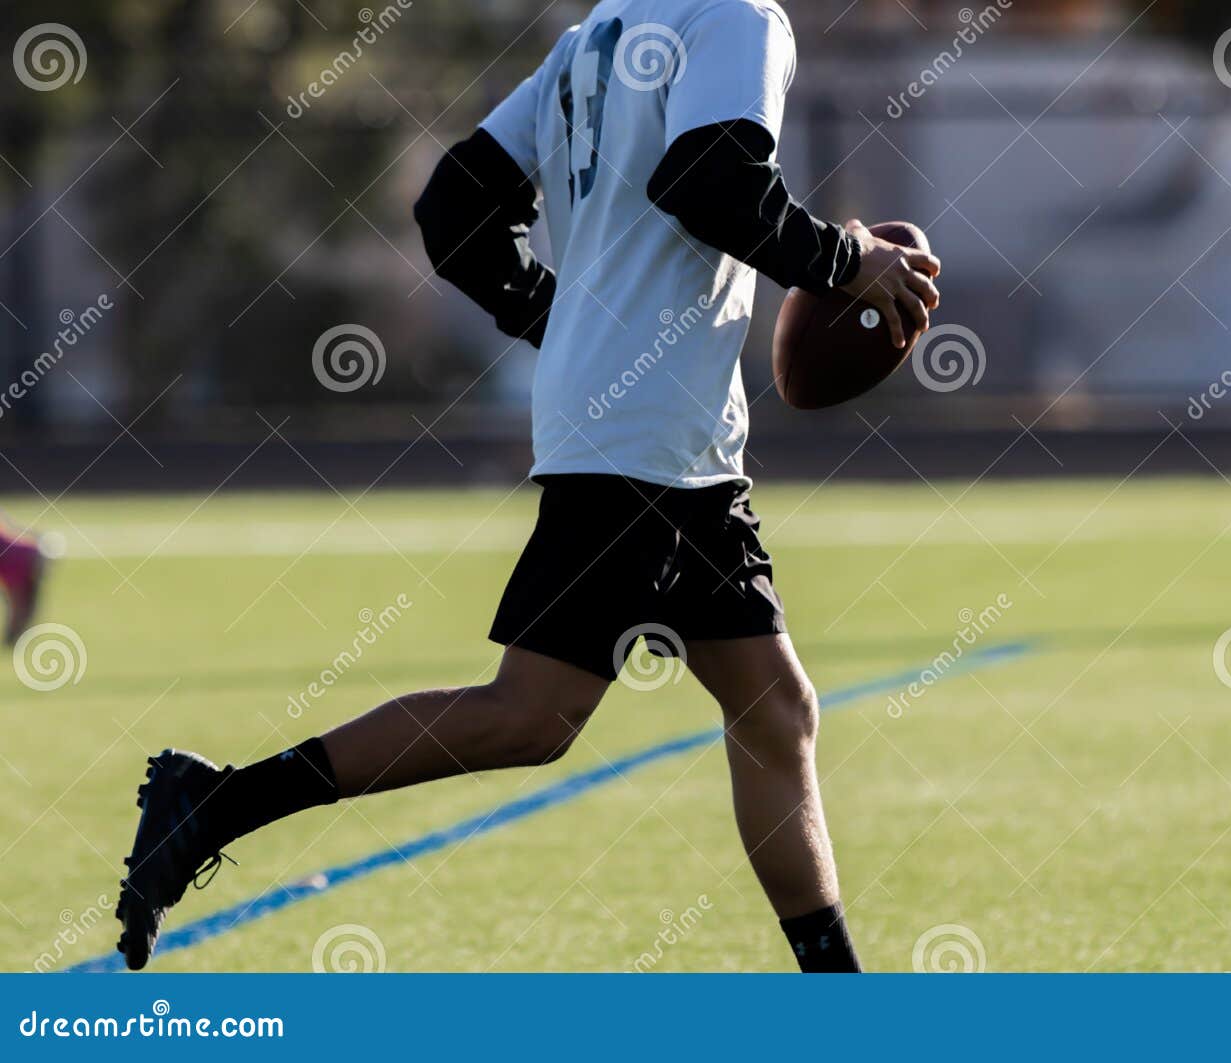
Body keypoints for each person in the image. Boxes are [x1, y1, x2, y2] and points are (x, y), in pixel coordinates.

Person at [115, 0, 939, 973]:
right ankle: (214, 805)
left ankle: (841, 997)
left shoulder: (596, 35)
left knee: (771, 711)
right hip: (645, 442)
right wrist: (846, 260)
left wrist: (574, 327)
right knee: (531, 714)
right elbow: (709, 181)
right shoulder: (736, 15)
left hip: (666, 441)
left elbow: (453, 208)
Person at [0, 518, 46, 644]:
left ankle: (13, 639)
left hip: (18, 558)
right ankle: (13, 638)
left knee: (21, 605)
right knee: (22, 605)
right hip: (22, 556)